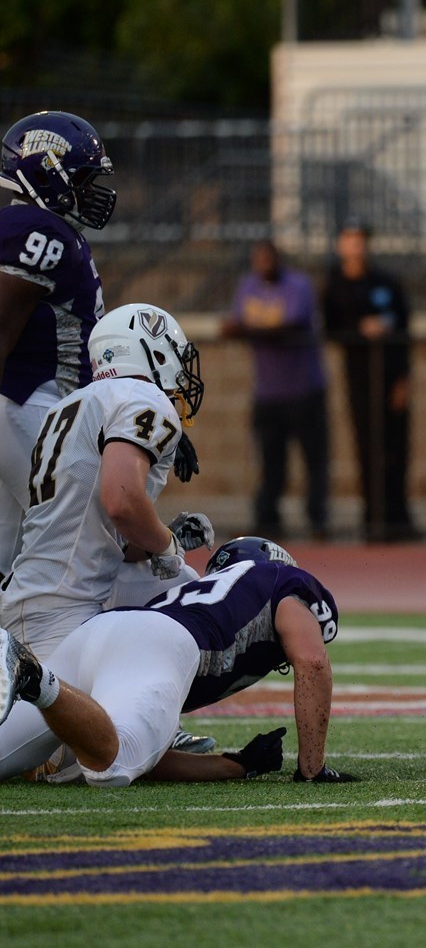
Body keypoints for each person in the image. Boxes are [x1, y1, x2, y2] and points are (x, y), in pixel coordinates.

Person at [0, 536, 356, 786]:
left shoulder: (207, 600)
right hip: (160, 642)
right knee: (111, 771)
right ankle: (35, 677)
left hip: (101, 634)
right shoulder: (283, 580)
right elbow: (312, 660)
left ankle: (33, 672)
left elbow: (150, 761)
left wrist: (238, 765)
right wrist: (312, 769)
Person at [1, 304, 209, 660]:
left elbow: (93, 534)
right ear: (152, 350)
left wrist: (153, 537)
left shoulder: (67, 406)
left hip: (31, 602)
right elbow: (122, 503)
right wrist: (167, 545)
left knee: (172, 579)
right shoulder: (142, 396)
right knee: (208, 600)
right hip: (63, 620)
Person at [0, 111, 113, 578]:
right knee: (87, 545)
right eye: (84, 179)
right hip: (29, 407)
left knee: (12, 557)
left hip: (30, 408)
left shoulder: (47, 230)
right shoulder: (37, 230)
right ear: (47, 174)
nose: (94, 192)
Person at [223, 240, 330, 542]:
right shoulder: (248, 286)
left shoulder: (298, 285)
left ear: (278, 260)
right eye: (259, 260)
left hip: (305, 388)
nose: (264, 265)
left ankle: (318, 520)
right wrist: (245, 329)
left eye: (269, 259)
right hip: (268, 391)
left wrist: (246, 329)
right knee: (271, 463)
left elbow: (292, 326)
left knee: (314, 461)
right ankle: (268, 521)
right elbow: (237, 322)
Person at [323, 222, 417, 543]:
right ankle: (373, 518)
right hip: (360, 380)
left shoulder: (386, 282)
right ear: (341, 246)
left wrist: (404, 379)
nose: (356, 248)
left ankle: (399, 518)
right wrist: (359, 328)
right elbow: (329, 327)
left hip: (391, 377)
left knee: (397, 448)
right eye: (350, 241)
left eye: (360, 241)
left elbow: (405, 328)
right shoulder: (334, 286)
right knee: (368, 449)